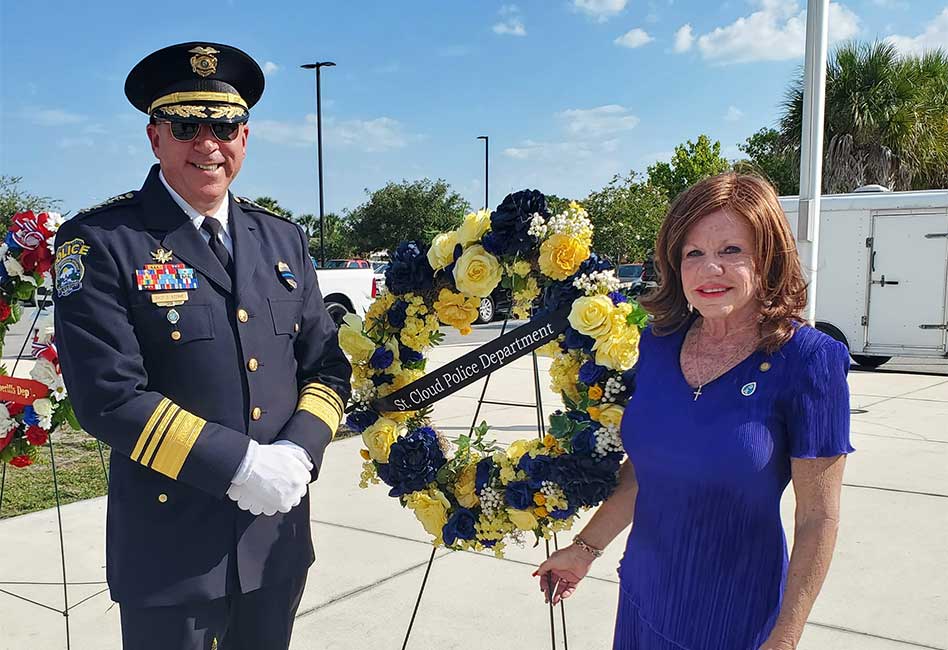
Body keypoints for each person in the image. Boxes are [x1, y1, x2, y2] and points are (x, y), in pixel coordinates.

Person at [53, 42, 351, 650]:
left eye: (225, 125)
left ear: (246, 136)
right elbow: (107, 395)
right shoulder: (102, 241)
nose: (208, 143)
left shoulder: (283, 239)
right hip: (173, 551)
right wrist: (240, 464)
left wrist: (298, 454)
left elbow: (325, 367)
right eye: (187, 126)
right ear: (154, 137)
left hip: (276, 540)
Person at [534, 173, 853, 650]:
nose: (710, 270)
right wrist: (584, 549)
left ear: (767, 258)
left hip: (736, 615)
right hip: (645, 597)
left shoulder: (810, 361)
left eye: (731, 251)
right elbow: (644, 474)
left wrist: (785, 637)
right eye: (694, 254)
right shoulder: (658, 346)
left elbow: (817, 519)